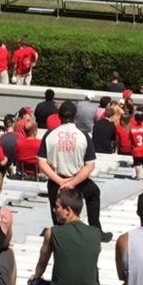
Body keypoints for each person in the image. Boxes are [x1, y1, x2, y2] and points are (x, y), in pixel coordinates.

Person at [28, 186, 103, 285]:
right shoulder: (96, 233)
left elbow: (42, 263)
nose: (54, 209)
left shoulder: (52, 232)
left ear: (68, 210)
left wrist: (35, 278)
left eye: (57, 207)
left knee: (33, 284)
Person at [40, 100, 106, 240]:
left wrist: (60, 181)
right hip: (77, 181)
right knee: (94, 193)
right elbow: (90, 165)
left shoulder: (49, 135)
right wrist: (72, 183)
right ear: (76, 116)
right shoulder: (83, 136)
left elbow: (41, 162)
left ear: (59, 116)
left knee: (56, 204)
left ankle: (59, 232)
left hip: (56, 181)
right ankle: (96, 230)